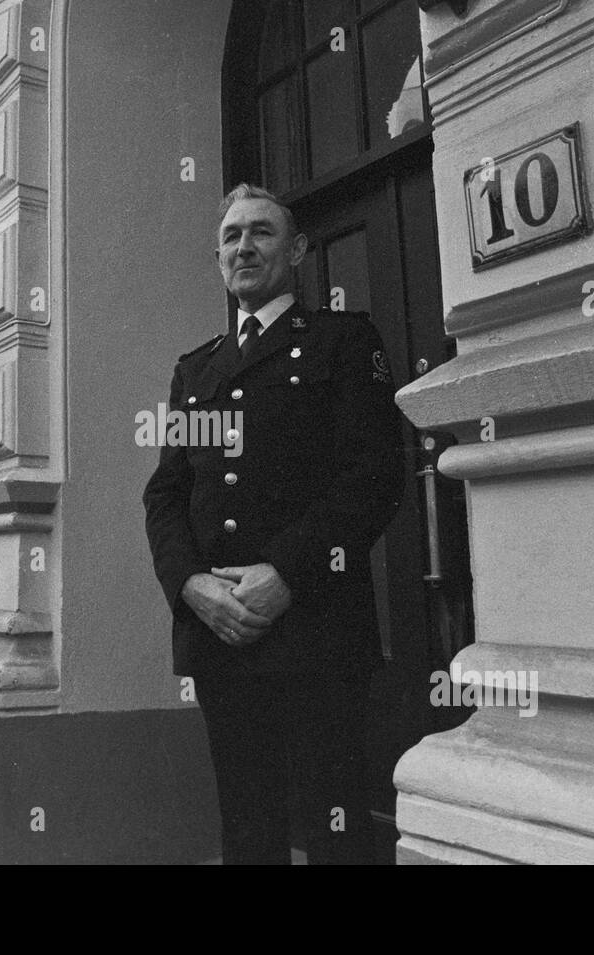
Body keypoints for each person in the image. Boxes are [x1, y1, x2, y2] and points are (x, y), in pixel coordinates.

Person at [143, 183, 406, 864]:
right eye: (230, 237)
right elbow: (167, 494)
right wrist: (192, 587)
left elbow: (373, 477)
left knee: (334, 826)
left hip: (315, 627)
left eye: (260, 232)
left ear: (295, 250)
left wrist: (286, 572)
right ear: (219, 260)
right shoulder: (196, 370)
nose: (243, 247)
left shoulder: (342, 341)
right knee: (249, 826)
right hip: (220, 639)